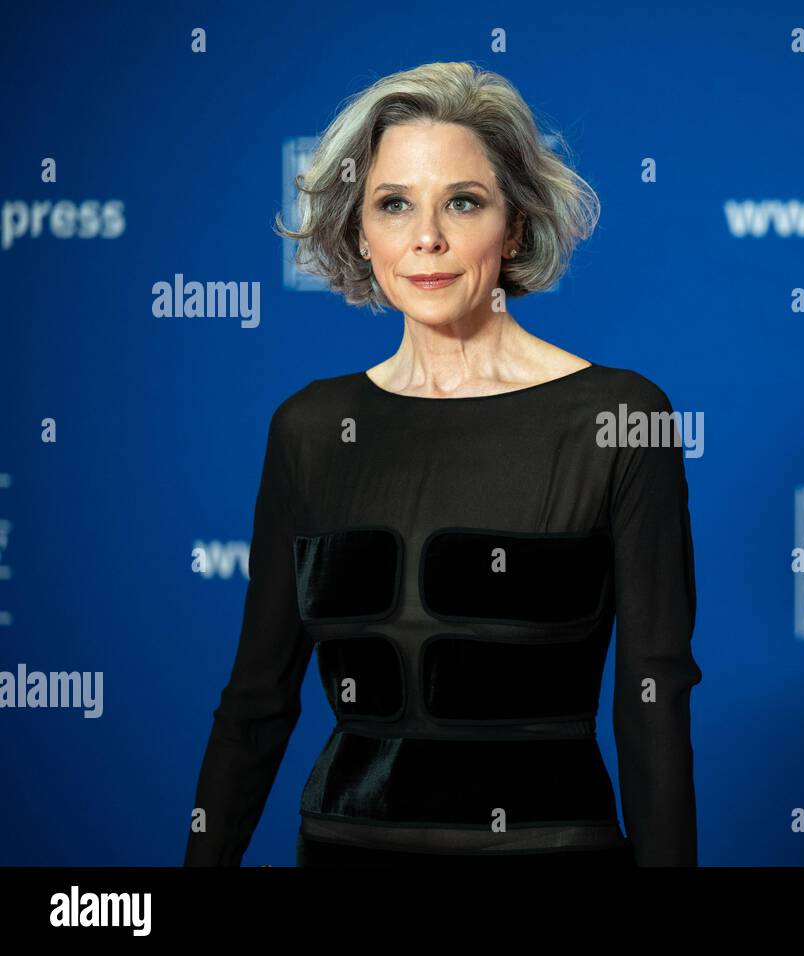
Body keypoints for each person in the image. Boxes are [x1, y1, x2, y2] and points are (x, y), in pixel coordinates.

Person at [182, 61, 702, 867]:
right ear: (361, 232)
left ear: (515, 225)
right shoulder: (309, 429)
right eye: (394, 204)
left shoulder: (619, 418)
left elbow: (654, 697)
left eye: (462, 202)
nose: (427, 237)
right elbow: (256, 700)